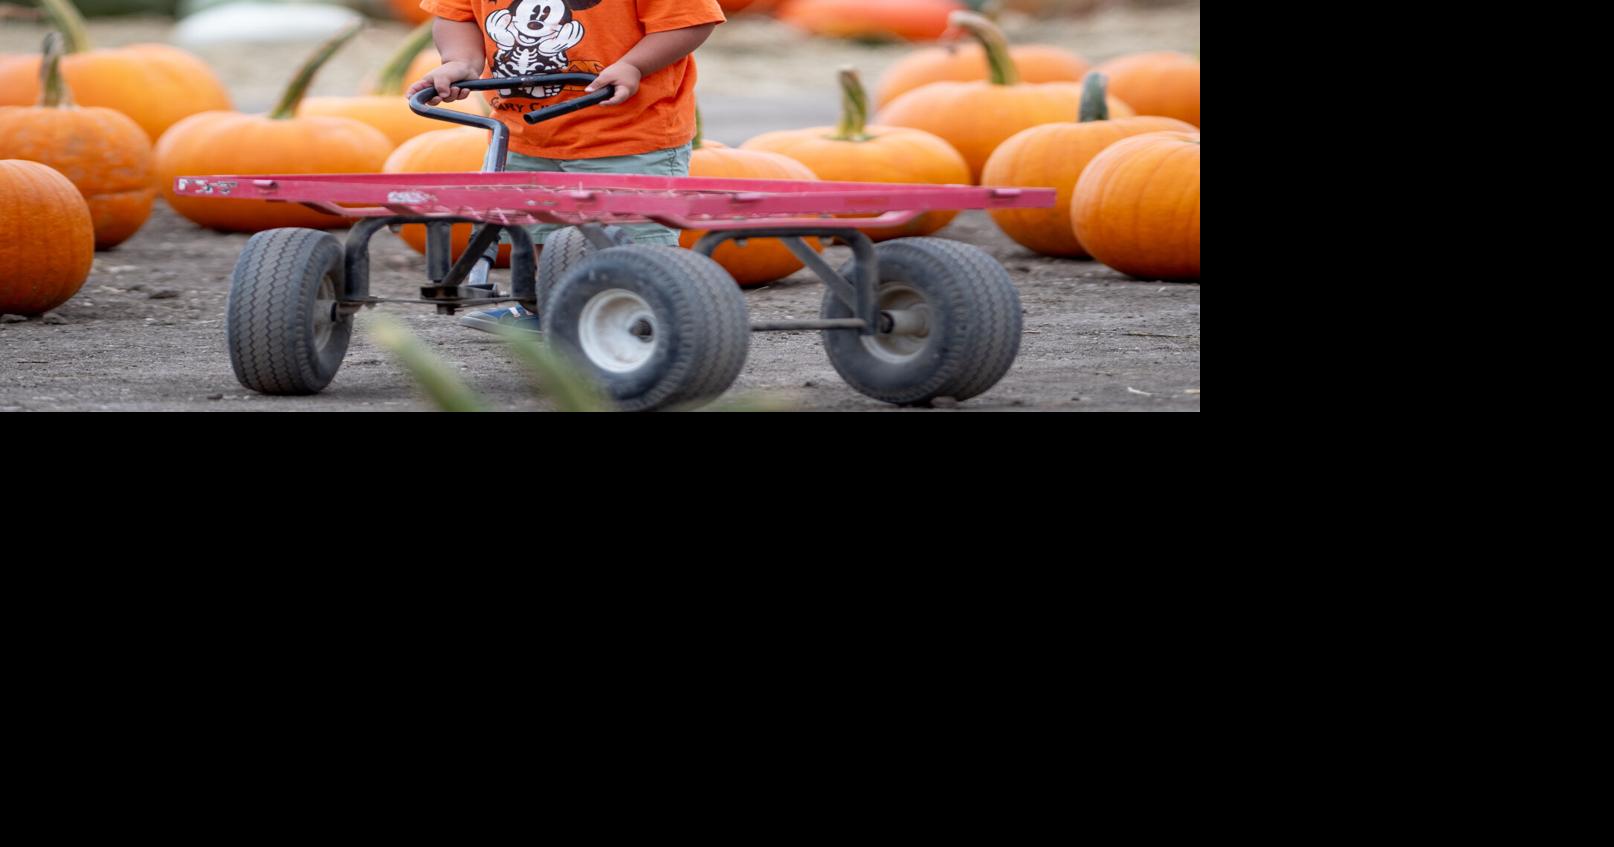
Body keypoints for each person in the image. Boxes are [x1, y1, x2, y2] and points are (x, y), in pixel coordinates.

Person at [409, 0, 725, 332]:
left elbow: (688, 21)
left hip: (626, 135)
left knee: (629, 235)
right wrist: (461, 61)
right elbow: (457, 16)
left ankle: (638, 313)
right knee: (545, 233)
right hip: (526, 132)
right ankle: (556, 310)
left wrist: (634, 65)